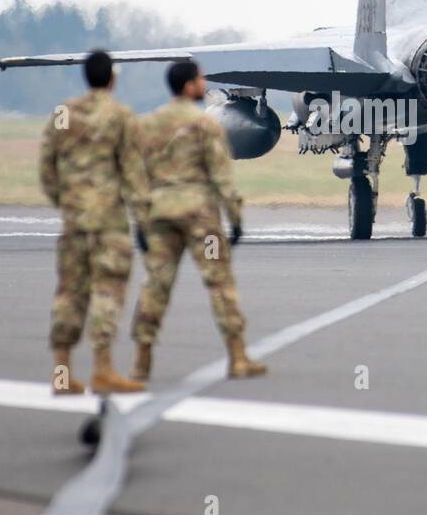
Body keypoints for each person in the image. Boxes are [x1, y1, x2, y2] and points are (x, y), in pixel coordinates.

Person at [129, 61, 266, 384]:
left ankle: (141, 362)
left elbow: (136, 177)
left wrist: (139, 221)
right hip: (200, 218)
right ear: (189, 85)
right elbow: (221, 178)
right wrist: (235, 218)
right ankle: (238, 357)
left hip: (161, 217)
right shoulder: (206, 125)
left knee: (154, 287)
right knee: (220, 287)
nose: (203, 83)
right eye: (200, 79)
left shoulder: (149, 124)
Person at [39, 50, 151, 395]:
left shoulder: (62, 114)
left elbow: (47, 167)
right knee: (107, 292)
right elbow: (134, 174)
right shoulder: (121, 117)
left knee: (69, 294)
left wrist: (66, 202)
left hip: (74, 223)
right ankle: (102, 369)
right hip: (109, 225)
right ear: (112, 79)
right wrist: (144, 220)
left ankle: (61, 373)